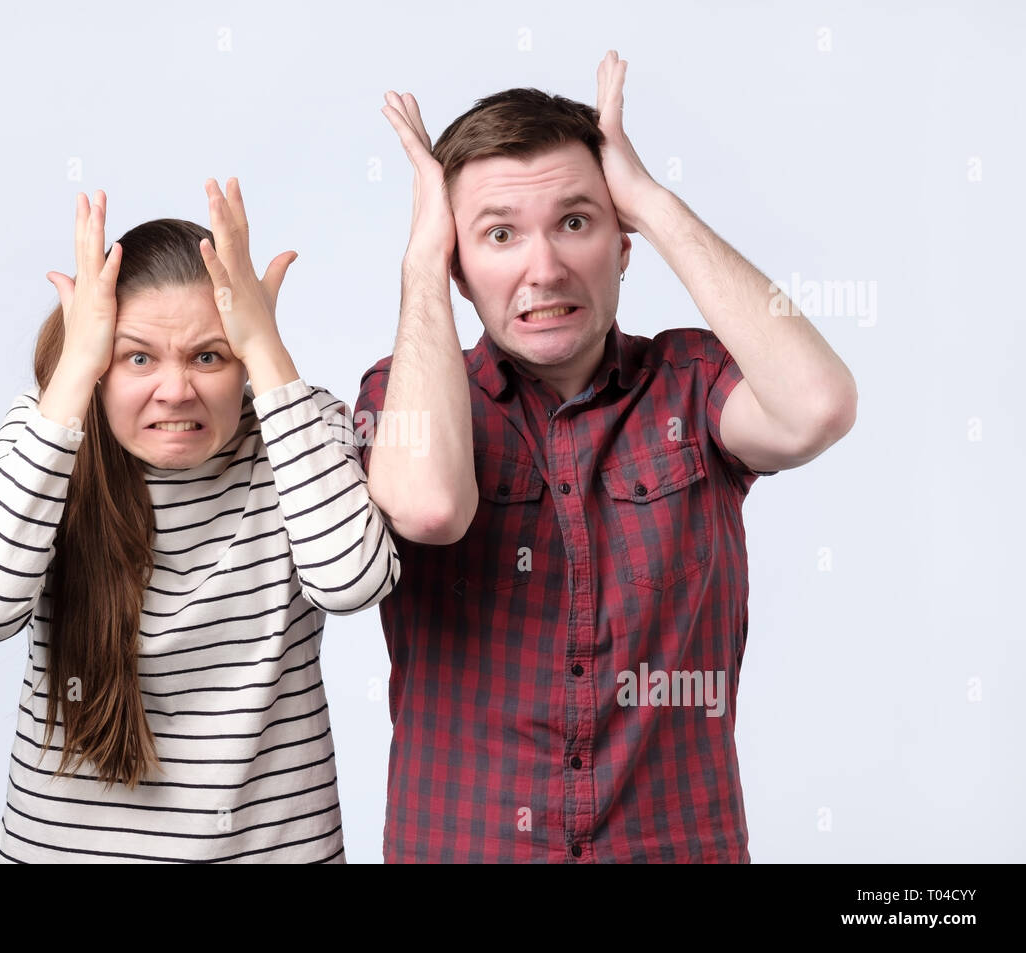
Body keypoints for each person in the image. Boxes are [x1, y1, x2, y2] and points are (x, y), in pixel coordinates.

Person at [358, 50, 857, 862]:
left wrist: (653, 203)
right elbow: (429, 507)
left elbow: (819, 407)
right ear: (458, 263)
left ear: (621, 245)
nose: (543, 267)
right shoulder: (401, 395)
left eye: (576, 222)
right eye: (498, 234)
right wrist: (420, 260)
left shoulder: (693, 385)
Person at [0, 181, 399, 863]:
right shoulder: (45, 434)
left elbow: (353, 583)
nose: (175, 389)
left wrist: (269, 352)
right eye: (138, 357)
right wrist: (71, 379)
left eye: (209, 355)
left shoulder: (302, 430)